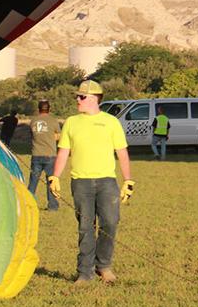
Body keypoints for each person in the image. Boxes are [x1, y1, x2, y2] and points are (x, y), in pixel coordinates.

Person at [50, 80, 133, 285]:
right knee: (85, 227)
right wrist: (55, 177)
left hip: (107, 182)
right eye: (77, 96)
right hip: (81, 182)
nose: (77, 100)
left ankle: (103, 266)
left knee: (110, 223)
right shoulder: (71, 122)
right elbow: (64, 152)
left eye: (82, 96)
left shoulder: (111, 122)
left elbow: (122, 152)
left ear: (95, 99)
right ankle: (84, 272)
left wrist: (128, 180)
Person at [28, 100, 61, 211]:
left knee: (33, 182)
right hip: (50, 155)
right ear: (49, 108)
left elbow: (32, 135)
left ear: (39, 109)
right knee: (51, 181)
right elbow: (58, 136)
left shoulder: (33, 121)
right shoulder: (53, 121)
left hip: (36, 154)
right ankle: (52, 205)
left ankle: (29, 204)